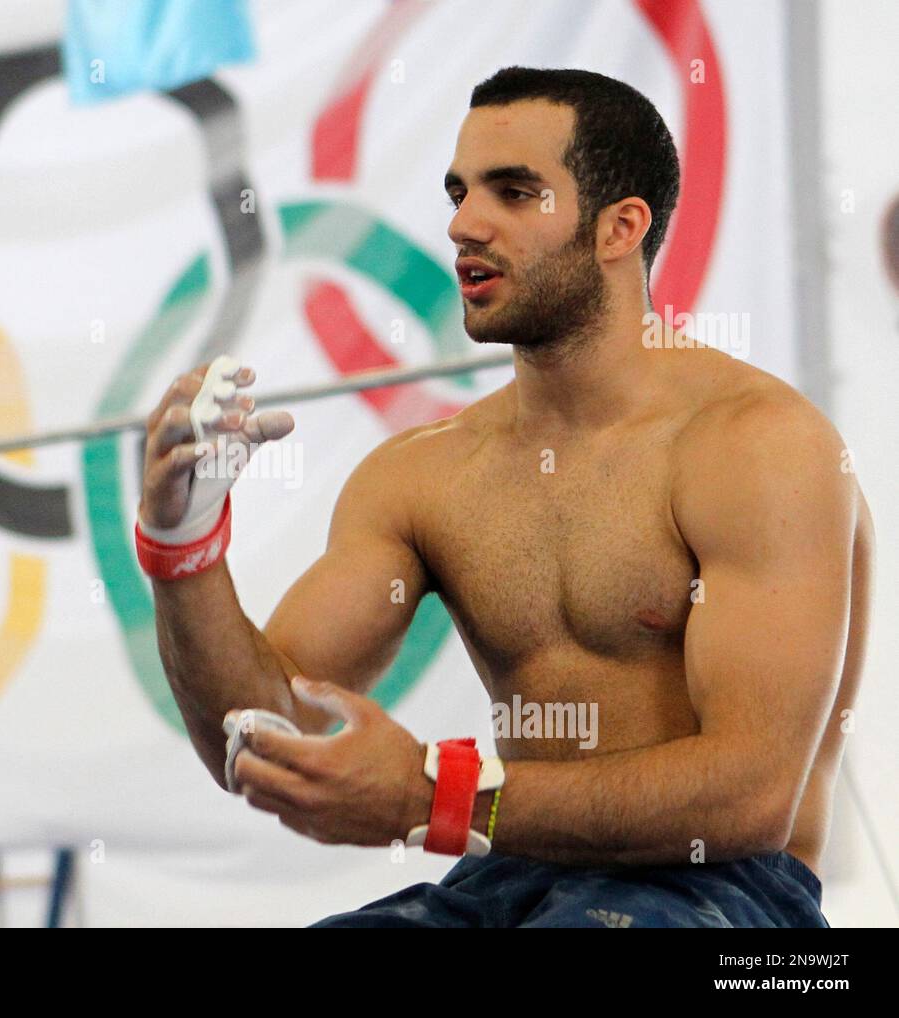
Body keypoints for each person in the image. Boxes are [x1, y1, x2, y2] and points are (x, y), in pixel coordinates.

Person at [134, 66, 873, 928]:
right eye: (458, 193)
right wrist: (183, 547)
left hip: (728, 898)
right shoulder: (424, 472)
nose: (462, 225)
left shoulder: (761, 446)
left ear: (619, 228)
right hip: (506, 879)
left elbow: (751, 800)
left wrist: (433, 796)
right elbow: (258, 734)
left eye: (514, 193)